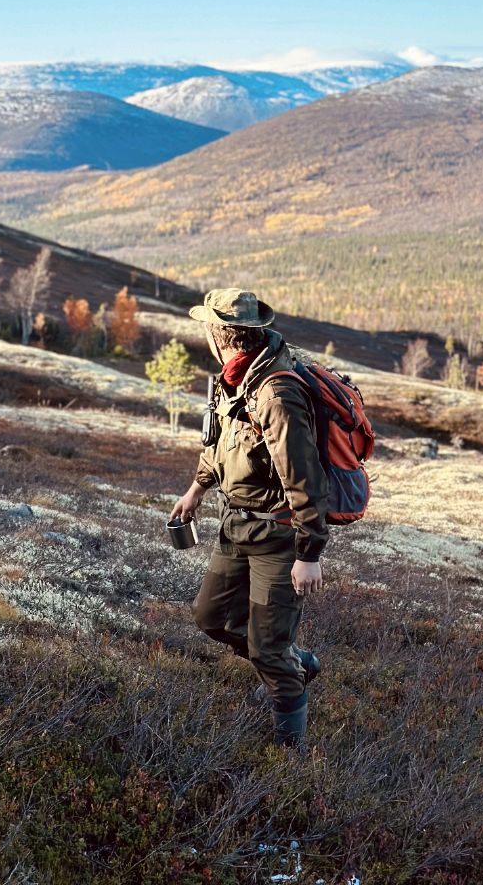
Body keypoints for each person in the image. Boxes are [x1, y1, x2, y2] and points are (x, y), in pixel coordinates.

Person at [169, 289, 329, 748]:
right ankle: (293, 662)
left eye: (207, 328)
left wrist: (309, 553)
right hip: (236, 525)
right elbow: (217, 444)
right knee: (210, 617)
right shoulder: (233, 378)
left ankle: (287, 760)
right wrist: (197, 488)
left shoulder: (276, 392)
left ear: (221, 334)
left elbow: (305, 479)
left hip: (278, 536)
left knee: (267, 650)